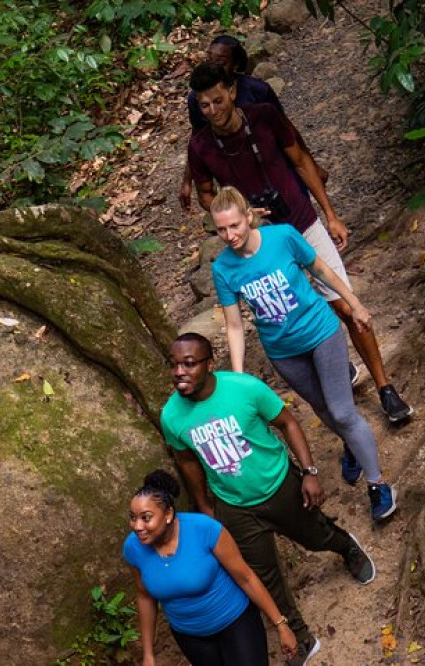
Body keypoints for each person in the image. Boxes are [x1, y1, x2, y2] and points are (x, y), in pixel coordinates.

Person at [185, 61, 415, 425]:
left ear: (232, 92)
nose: (212, 110)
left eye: (217, 100)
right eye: (204, 105)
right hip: (258, 241)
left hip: (301, 223)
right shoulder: (201, 146)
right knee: (288, 314)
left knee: (344, 306)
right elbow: (205, 194)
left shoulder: (263, 117)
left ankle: (386, 388)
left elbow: (302, 161)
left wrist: (331, 214)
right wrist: (237, 213)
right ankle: (339, 377)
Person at [161, 332, 378, 666]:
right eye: (174, 364)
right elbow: (187, 461)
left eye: (188, 363)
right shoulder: (172, 416)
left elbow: (288, 423)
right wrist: (205, 507)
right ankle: (302, 637)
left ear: (209, 364)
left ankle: (346, 546)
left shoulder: (243, 388)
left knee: (316, 537)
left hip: (279, 486)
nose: (179, 372)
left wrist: (309, 472)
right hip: (233, 505)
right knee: (264, 575)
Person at [209, 186, 397, 520]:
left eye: (235, 225)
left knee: (341, 411)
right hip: (283, 351)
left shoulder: (282, 237)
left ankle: (378, 483)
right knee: (322, 407)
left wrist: (354, 304)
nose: (230, 235)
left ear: (249, 217)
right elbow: (235, 326)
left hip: (320, 332)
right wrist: (237, 377)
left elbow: (322, 270)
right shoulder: (223, 268)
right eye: (221, 229)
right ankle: (351, 446)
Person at [124, 469, 298, 665]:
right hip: (190, 636)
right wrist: (148, 653)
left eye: (145, 518)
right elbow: (145, 596)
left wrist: (281, 625)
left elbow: (246, 577)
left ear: (168, 514)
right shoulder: (133, 548)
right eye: (132, 517)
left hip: (236, 622)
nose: (137, 526)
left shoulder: (205, 529)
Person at [180, 35, 326, 212]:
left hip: (275, 165)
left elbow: (287, 129)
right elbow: (197, 138)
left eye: (221, 61)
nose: (213, 65)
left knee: (297, 209)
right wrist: (187, 180)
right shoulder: (197, 99)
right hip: (238, 175)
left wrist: (312, 165)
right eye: (209, 58)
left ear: (235, 66)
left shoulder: (257, 90)